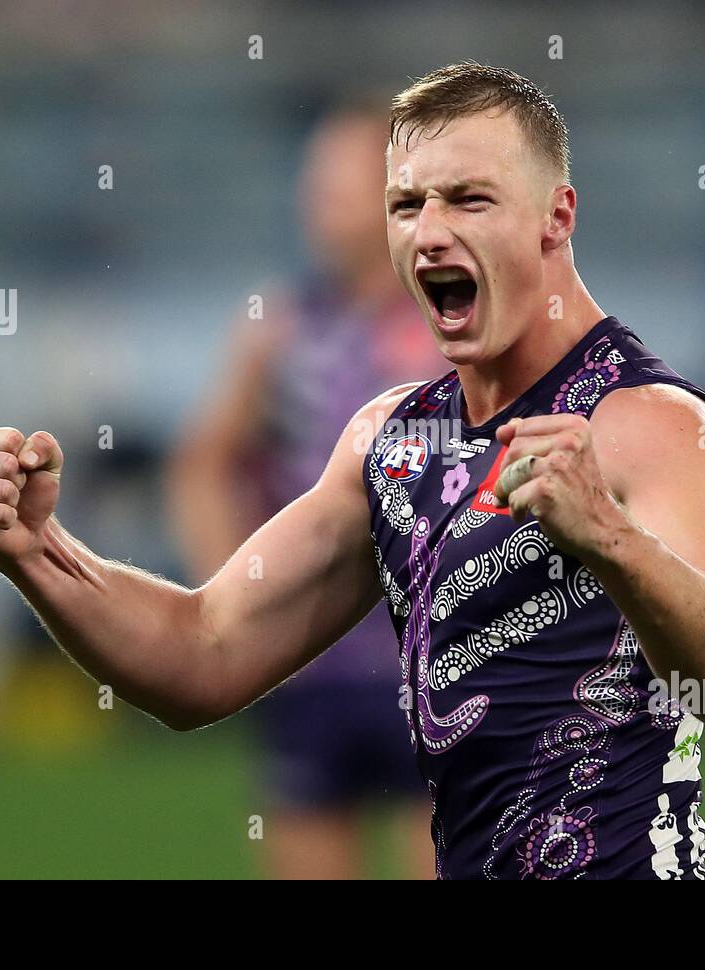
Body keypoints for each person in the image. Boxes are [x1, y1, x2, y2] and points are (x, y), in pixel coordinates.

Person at [0, 63, 705, 879]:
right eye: (407, 204)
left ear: (556, 217)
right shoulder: (389, 443)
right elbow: (202, 655)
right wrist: (35, 549)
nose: (429, 232)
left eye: (469, 199)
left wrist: (608, 537)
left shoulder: (648, 422)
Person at [168, 104, 441, 879]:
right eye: (311, 183)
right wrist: (233, 604)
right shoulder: (281, 328)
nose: (316, 202)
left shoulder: (453, 320)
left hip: (436, 667)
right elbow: (202, 463)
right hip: (314, 668)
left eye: (338, 183)